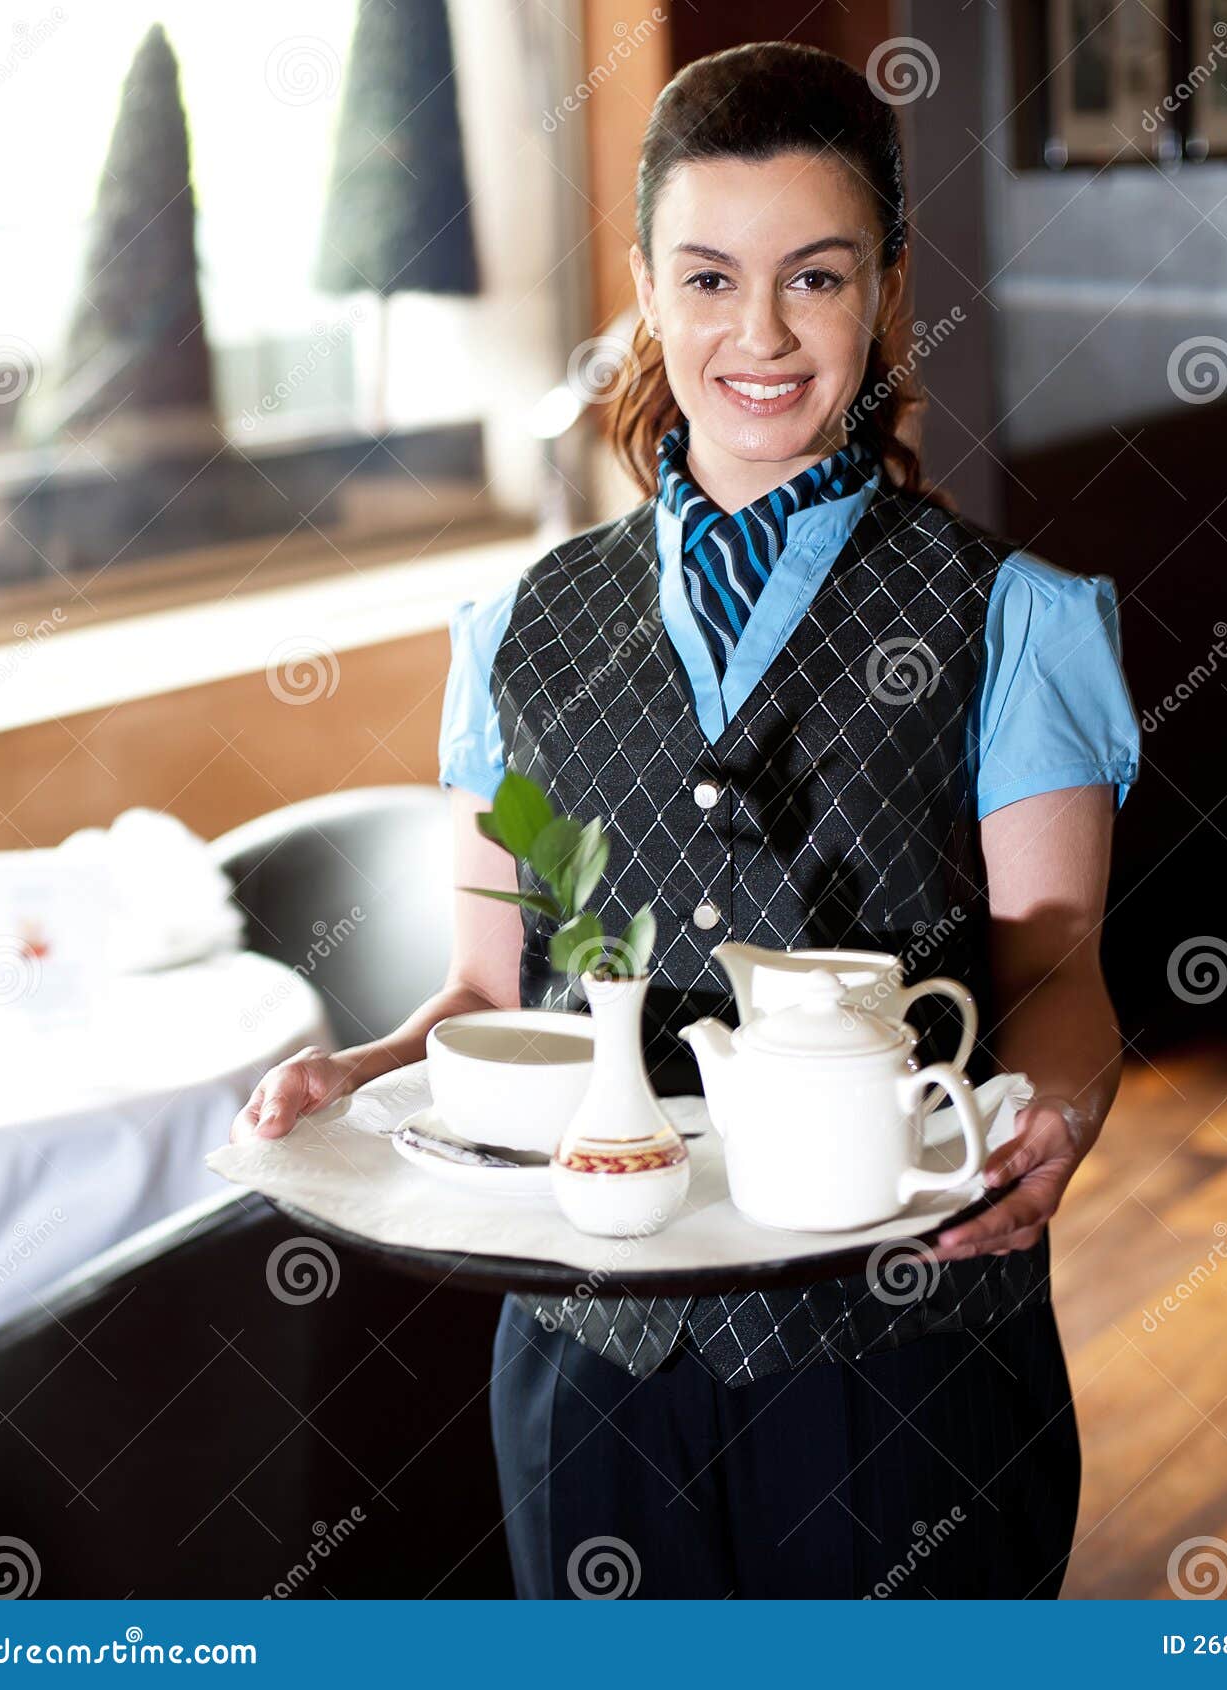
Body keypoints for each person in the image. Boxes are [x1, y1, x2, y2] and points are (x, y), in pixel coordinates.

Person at [232, 41, 1141, 1600]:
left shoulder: (1017, 624)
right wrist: (357, 1075)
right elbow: (485, 988)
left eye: (816, 276)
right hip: (593, 1366)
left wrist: (1050, 1119)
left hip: (900, 1359)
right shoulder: (508, 634)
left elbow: (1054, 972)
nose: (762, 334)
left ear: (886, 289)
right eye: (708, 278)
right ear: (645, 288)